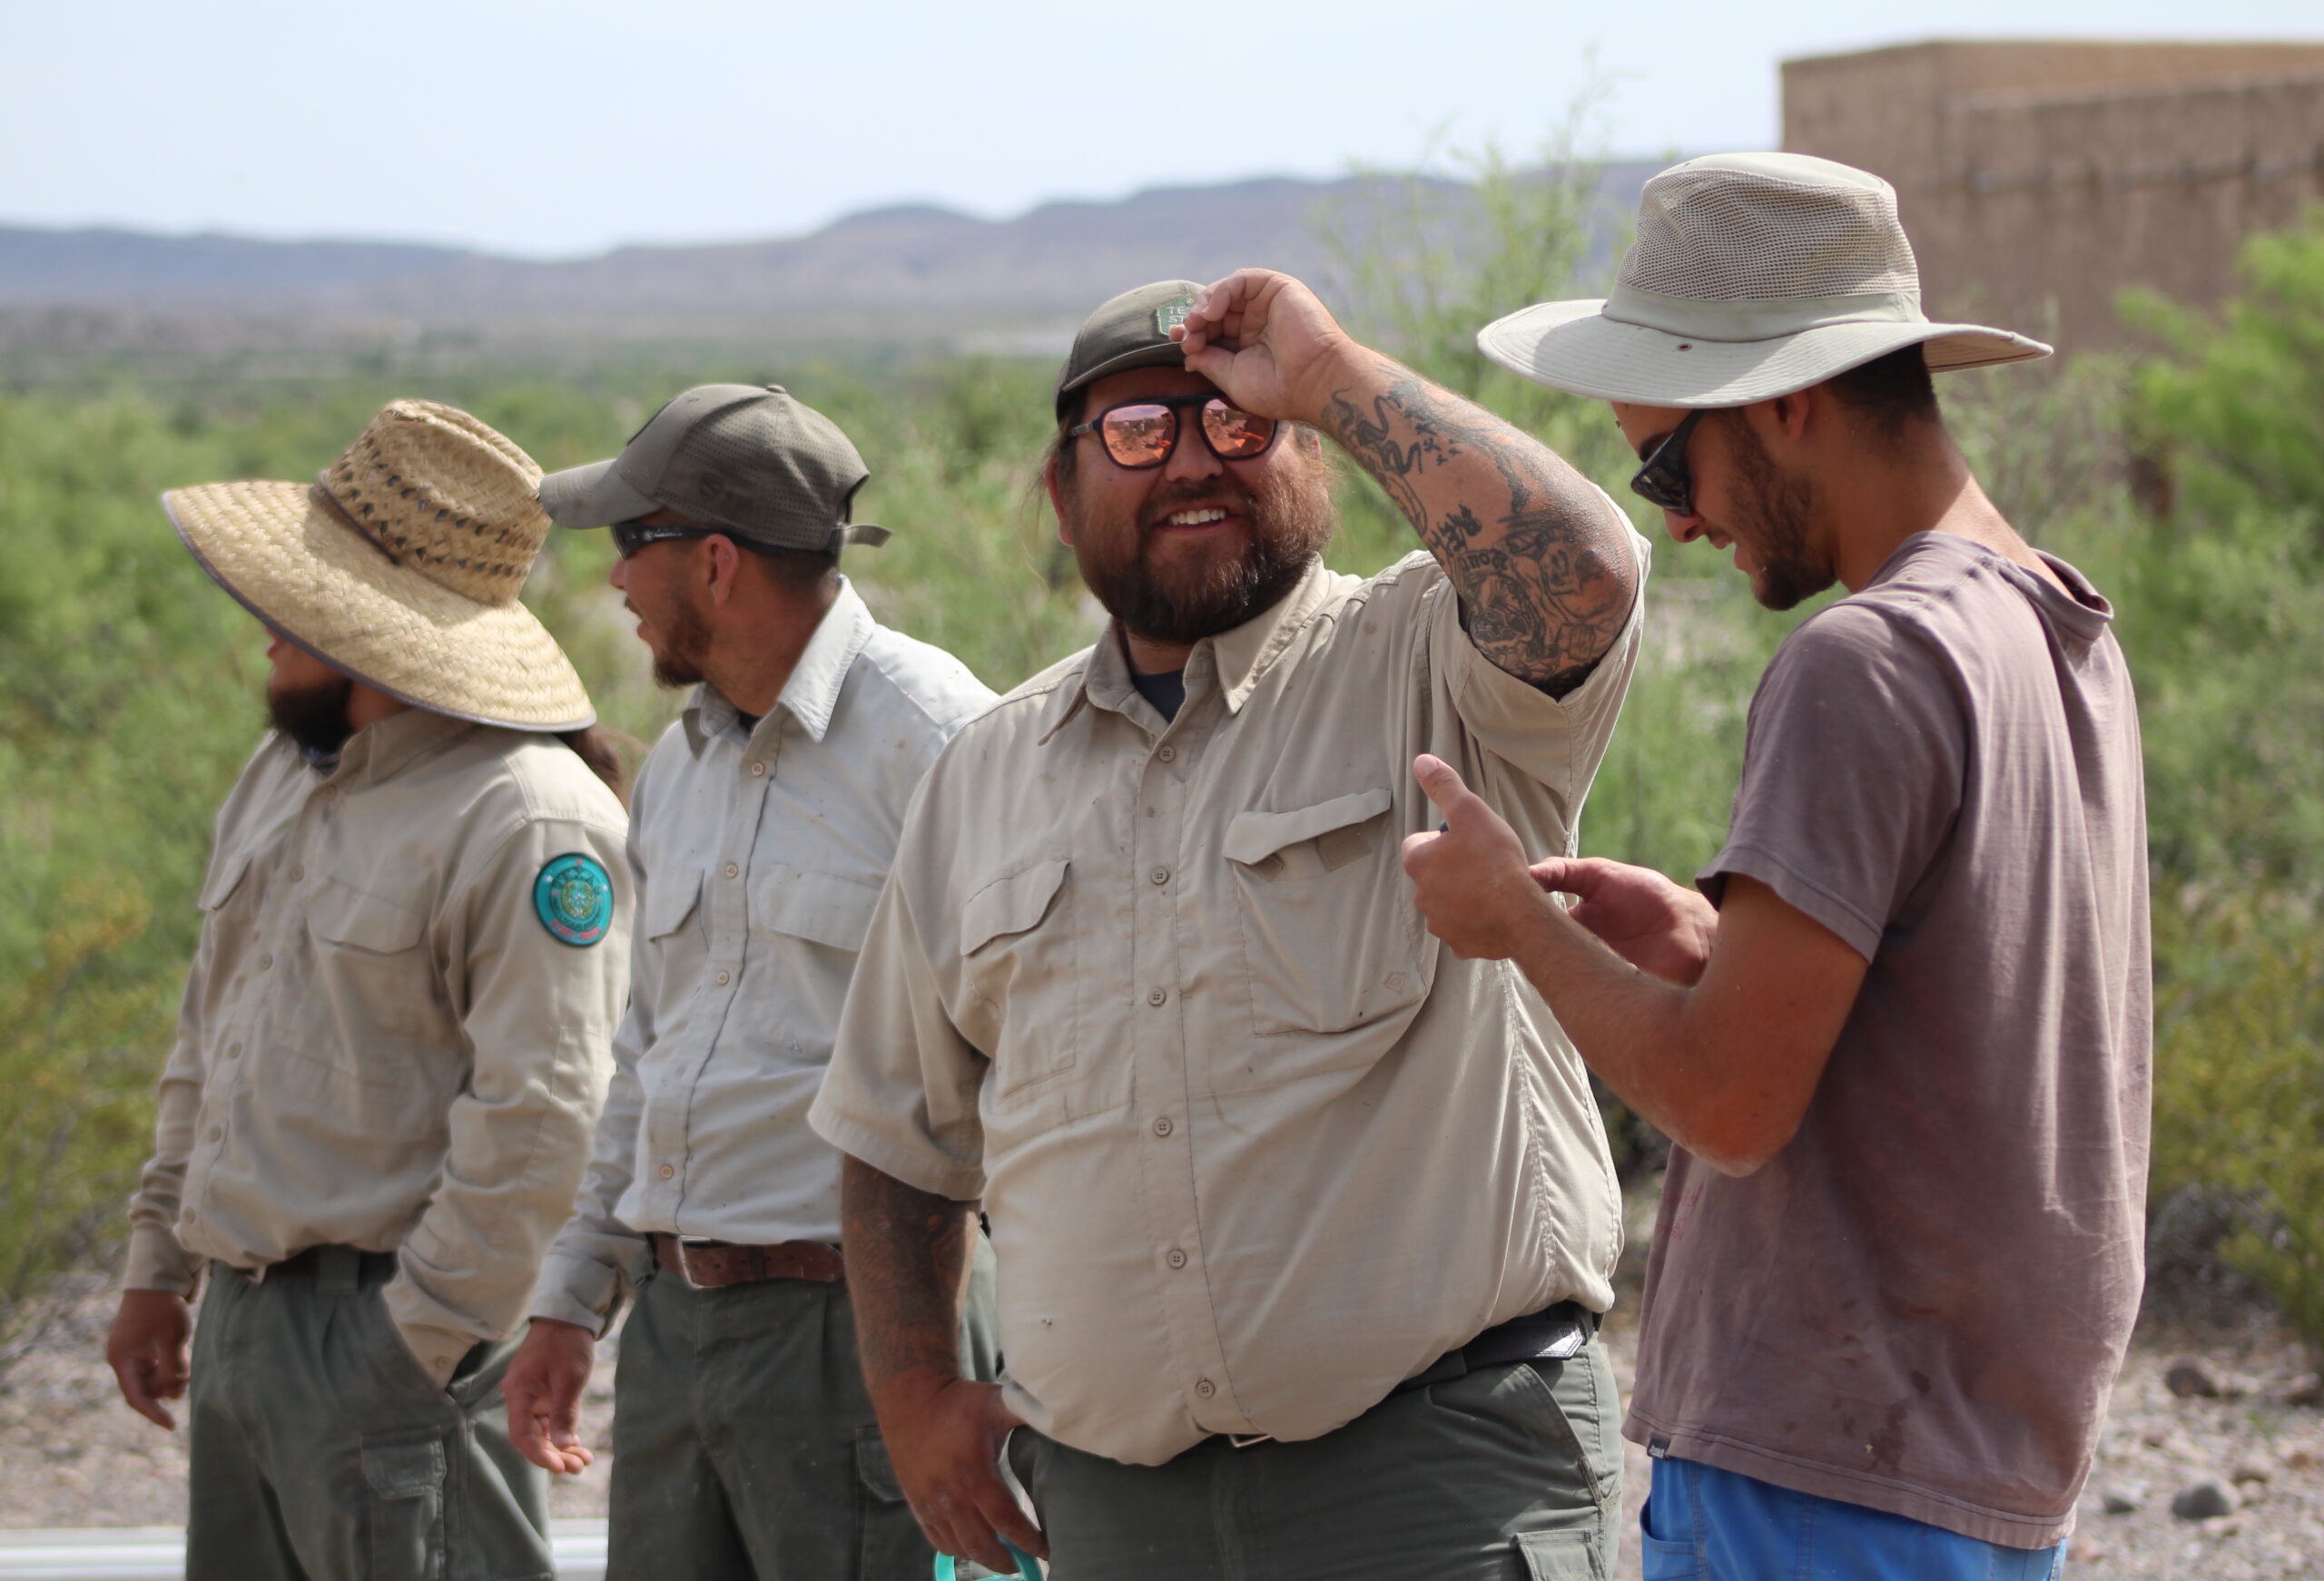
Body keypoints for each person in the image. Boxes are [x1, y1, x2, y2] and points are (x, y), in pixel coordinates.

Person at [810, 272, 1651, 1580]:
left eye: (1241, 423)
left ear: (1316, 454)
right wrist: (915, 1399)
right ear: (1062, 493)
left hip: (1437, 1487)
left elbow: (1586, 571)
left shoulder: (1432, 662)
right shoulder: (985, 775)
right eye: (1139, 431)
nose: (1194, 460)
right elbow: (897, 1134)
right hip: (1115, 1514)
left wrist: (1332, 373)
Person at [1403, 152, 2145, 1579]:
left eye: (1667, 464)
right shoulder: (2053, 625)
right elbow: (1968, 1015)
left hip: (1824, 1485)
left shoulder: (1863, 659)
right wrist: (1706, 947)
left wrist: (1517, 926)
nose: (1675, 520)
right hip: (1969, 1477)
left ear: (1789, 402)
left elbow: (1729, 1105)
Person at [104, 400, 634, 1581]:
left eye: (291, 601)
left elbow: (546, 1118)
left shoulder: (528, 818)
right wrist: (158, 1268)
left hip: (390, 1331)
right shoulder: (287, 772)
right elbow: (209, 1038)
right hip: (244, 1323)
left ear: (367, 624)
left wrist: (411, 1346)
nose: (265, 630)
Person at [500, 384, 1001, 1581]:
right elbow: (648, 1054)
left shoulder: (947, 745)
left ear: (716, 562)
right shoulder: (681, 768)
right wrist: (574, 1295)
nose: (616, 579)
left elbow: (1045, 1064)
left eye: (633, 542)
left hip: (872, 1340)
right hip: (674, 1335)